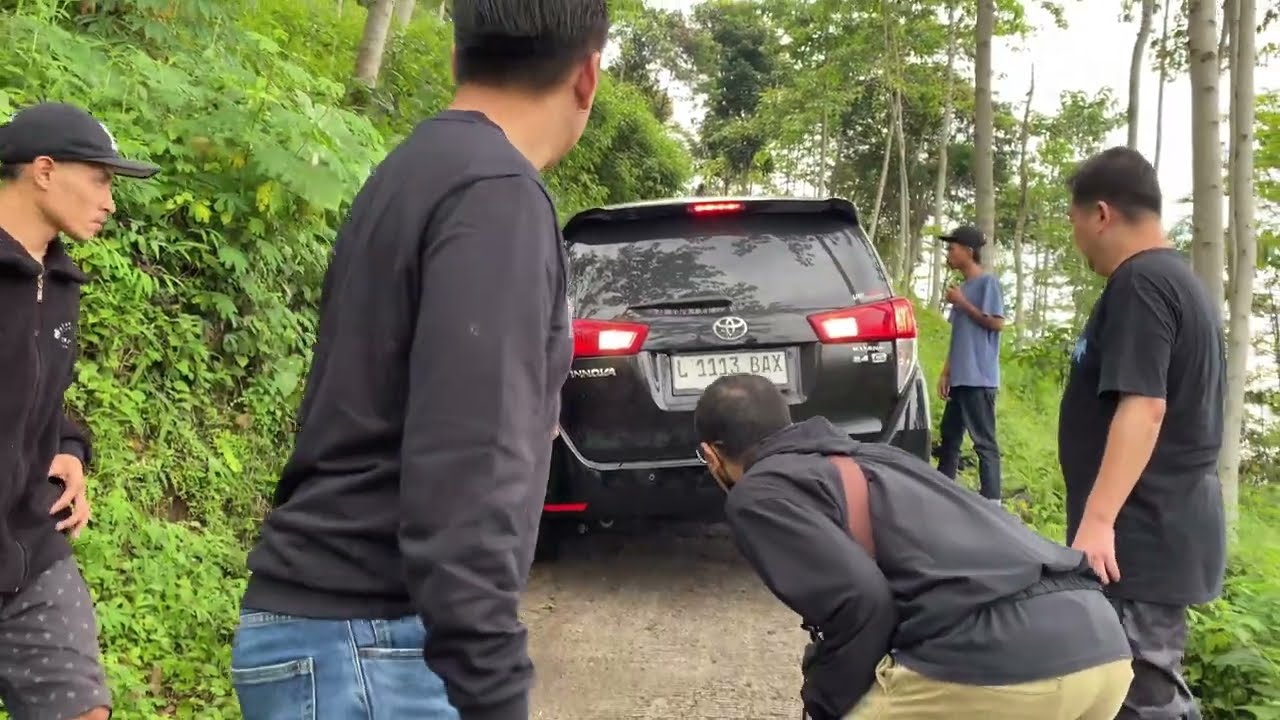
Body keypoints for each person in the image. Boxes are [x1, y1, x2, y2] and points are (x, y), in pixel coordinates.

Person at [231, 2, 605, 719]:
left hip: (327, 634)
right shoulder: (498, 194)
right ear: (587, 76)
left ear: (458, 56)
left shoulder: (406, 174)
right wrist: (492, 689)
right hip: (374, 646)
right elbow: (473, 458)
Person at [695, 374, 1134, 720]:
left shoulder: (759, 492)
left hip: (1003, 661)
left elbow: (862, 601)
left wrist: (825, 697)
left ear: (712, 455)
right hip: (1100, 645)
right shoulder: (877, 460)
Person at [0, 101, 160, 720]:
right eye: (100, 178)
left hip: (30, 548)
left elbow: (41, 391)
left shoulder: (59, 284)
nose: (110, 201)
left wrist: (68, 447)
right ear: (43, 170)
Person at [1060, 146, 1227, 719]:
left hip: (1139, 534)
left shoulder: (1143, 283)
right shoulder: (1176, 280)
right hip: (1154, 528)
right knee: (1126, 686)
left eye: (1075, 219)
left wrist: (1099, 520)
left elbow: (1145, 407)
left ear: (1101, 214)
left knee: (1141, 693)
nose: (1076, 235)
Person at [936, 224, 1005, 501]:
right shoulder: (963, 287)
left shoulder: (988, 284)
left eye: (952, 248)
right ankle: (941, 492)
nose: (948, 253)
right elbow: (959, 335)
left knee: (983, 442)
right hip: (960, 378)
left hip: (979, 378)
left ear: (967, 251)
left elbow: (997, 323)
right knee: (950, 438)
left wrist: (962, 302)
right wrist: (945, 373)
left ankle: (993, 501)